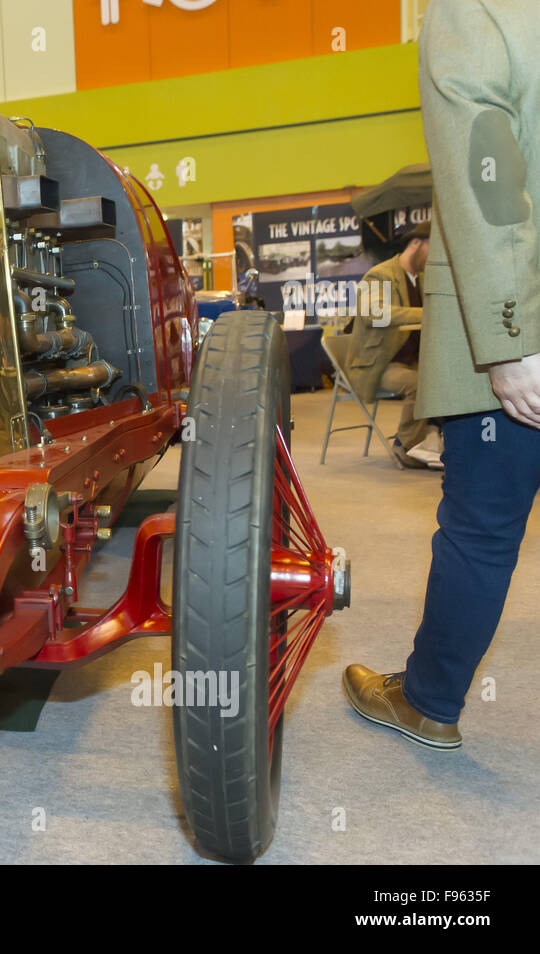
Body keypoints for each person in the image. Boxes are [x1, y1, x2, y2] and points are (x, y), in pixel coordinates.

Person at [344, 0, 540, 749]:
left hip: (518, 332)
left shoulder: (475, 11)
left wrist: (512, 341)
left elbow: (486, 178)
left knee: (482, 531)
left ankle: (427, 700)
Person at [344, 221, 438, 467]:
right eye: (432, 248)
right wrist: (427, 313)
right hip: (379, 364)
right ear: (416, 244)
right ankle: (404, 446)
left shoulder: (423, 278)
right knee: (420, 385)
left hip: (410, 361)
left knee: (448, 377)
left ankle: (434, 438)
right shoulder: (380, 275)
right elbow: (376, 313)